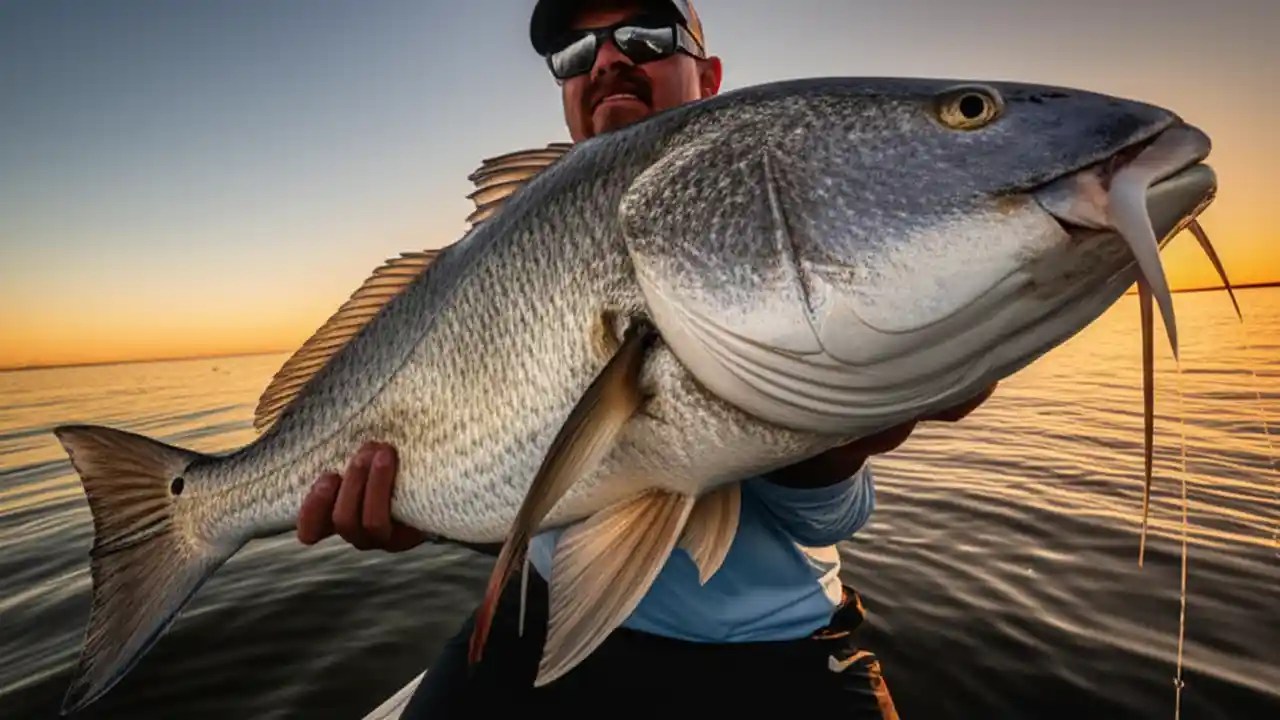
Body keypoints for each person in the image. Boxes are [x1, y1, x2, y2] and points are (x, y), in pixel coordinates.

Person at [296, 1, 996, 716]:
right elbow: (513, 480)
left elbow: (824, 519)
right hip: (538, 621)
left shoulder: (766, 182)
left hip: (778, 649)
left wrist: (843, 441)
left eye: (645, 34)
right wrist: (428, 509)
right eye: (574, 53)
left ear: (708, 73)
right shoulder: (506, 258)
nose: (605, 59)